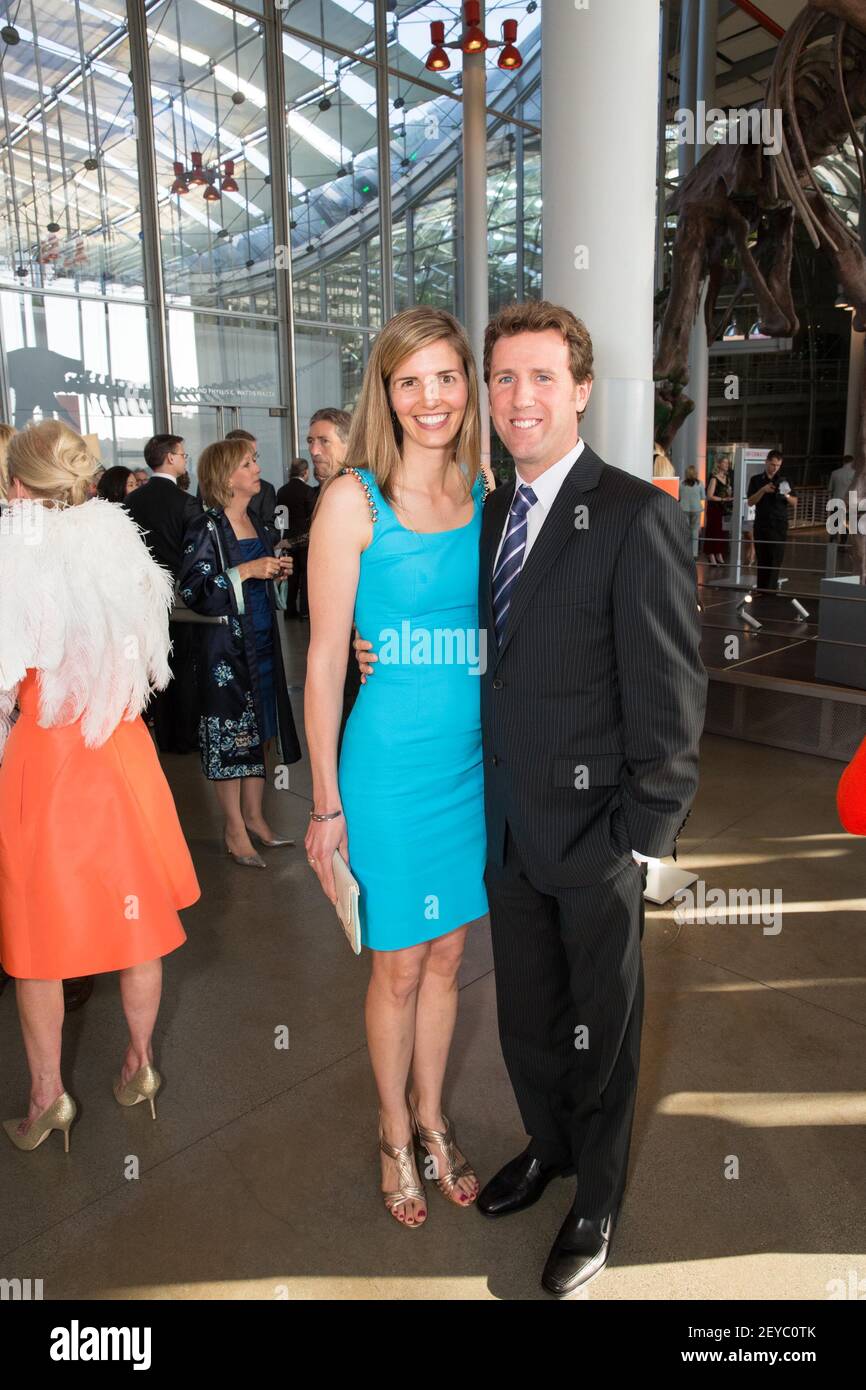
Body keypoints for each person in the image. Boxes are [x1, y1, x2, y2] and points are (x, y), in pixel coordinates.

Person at [355, 300, 706, 1295]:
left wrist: (638, 841)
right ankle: (546, 1146)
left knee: (602, 1025)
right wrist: (367, 645)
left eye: (540, 377)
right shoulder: (488, 512)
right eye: (501, 377)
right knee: (527, 1021)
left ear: (581, 390)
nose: (518, 397)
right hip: (501, 825)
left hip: (595, 834)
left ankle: (594, 1196)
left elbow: (673, 698)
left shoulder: (637, 515)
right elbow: (459, 635)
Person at [305, 306, 492, 1229]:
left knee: (451, 955)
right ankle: (391, 1130)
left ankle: (433, 1117)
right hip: (385, 771)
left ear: (468, 386)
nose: (431, 398)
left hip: (472, 769)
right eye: (410, 380)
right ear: (387, 392)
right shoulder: (352, 500)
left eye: (447, 377)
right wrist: (326, 806)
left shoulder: (486, 493)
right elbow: (326, 662)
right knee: (398, 966)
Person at [0, 421, 200, 1152]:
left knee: (37, 943)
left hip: (47, 761)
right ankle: (140, 1065)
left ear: (18, 486)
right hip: (121, 751)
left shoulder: (9, 558)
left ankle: (45, 1097)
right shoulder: (118, 542)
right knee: (137, 924)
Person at [177, 437, 301, 868]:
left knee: (262, 732)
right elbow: (195, 590)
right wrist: (248, 570)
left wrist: (274, 573)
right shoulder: (205, 528)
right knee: (231, 736)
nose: (256, 468)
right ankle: (234, 827)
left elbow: (253, 582)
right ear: (228, 476)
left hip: (263, 643)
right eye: (248, 463)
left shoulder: (259, 525)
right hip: (225, 653)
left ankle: (256, 817)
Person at [125, 434, 203, 754]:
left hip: (144, 594)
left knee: (155, 662)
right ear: (170, 458)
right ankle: (184, 737)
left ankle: (163, 734)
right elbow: (197, 551)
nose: (186, 459)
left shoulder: (132, 502)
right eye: (183, 454)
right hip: (180, 595)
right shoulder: (186, 502)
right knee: (183, 665)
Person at [747, 449, 797, 597]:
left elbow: (794, 502)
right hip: (762, 523)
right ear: (766, 462)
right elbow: (750, 502)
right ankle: (761, 590)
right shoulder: (756, 480)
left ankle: (771, 592)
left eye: (778, 465)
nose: (775, 468)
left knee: (776, 558)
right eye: (772, 464)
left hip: (779, 525)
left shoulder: (785, 480)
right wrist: (763, 490)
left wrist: (786, 494)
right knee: (762, 557)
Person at [275, 458, 316, 618]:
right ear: (305, 472)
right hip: (305, 541)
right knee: (306, 576)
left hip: (287, 538)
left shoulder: (281, 491)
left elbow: (280, 521)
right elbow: (313, 519)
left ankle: (289, 610)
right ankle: (305, 611)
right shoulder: (308, 491)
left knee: (290, 575)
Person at [224, 428, 278, 542]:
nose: (257, 468)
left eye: (255, 457)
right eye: (247, 462)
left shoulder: (265, 489)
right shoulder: (208, 488)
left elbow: (273, 533)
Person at [307, 407, 351, 486]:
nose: (314, 451)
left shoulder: (355, 491)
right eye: (310, 441)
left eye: (324, 441)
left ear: (349, 444)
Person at [704, 455, 733, 564]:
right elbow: (709, 495)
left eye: (727, 463)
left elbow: (728, 492)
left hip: (723, 508)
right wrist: (723, 498)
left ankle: (719, 553)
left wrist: (729, 496)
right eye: (725, 463)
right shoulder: (714, 477)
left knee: (721, 532)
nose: (727, 465)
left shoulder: (727, 478)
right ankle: (711, 554)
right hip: (714, 508)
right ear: (719, 464)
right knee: (713, 531)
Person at [679, 463, 706, 558]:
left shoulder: (681, 483)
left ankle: (684, 552)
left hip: (684, 508)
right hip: (696, 509)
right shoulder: (700, 484)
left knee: (685, 531)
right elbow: (703, 497)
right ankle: (694, 554)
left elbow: (679, 496)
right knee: (695, 531)